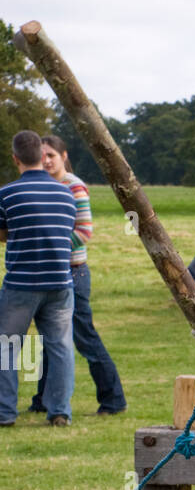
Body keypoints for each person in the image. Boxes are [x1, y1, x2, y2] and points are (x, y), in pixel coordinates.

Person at [31, 135, 126, 416]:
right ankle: (42, 400)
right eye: (42, 156)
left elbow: (84, 233)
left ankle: (113, 400)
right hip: (48, 274)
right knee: (48, 340)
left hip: (73, 273)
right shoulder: (42, 185)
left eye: (51, 155)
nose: (46, 160)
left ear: (63, 155)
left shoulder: (74, 186)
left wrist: (47, 245)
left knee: (85, 338)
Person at [0, 131, 77, 427]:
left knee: (7, 345)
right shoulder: (66, 193)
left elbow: (3, 233)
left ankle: (5, 412)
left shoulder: (7, 194)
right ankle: (59, 411)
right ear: (43, 157)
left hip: (22, 283)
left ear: (15, 158)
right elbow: (65, 232)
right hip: (60, 281)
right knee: (60, 348)